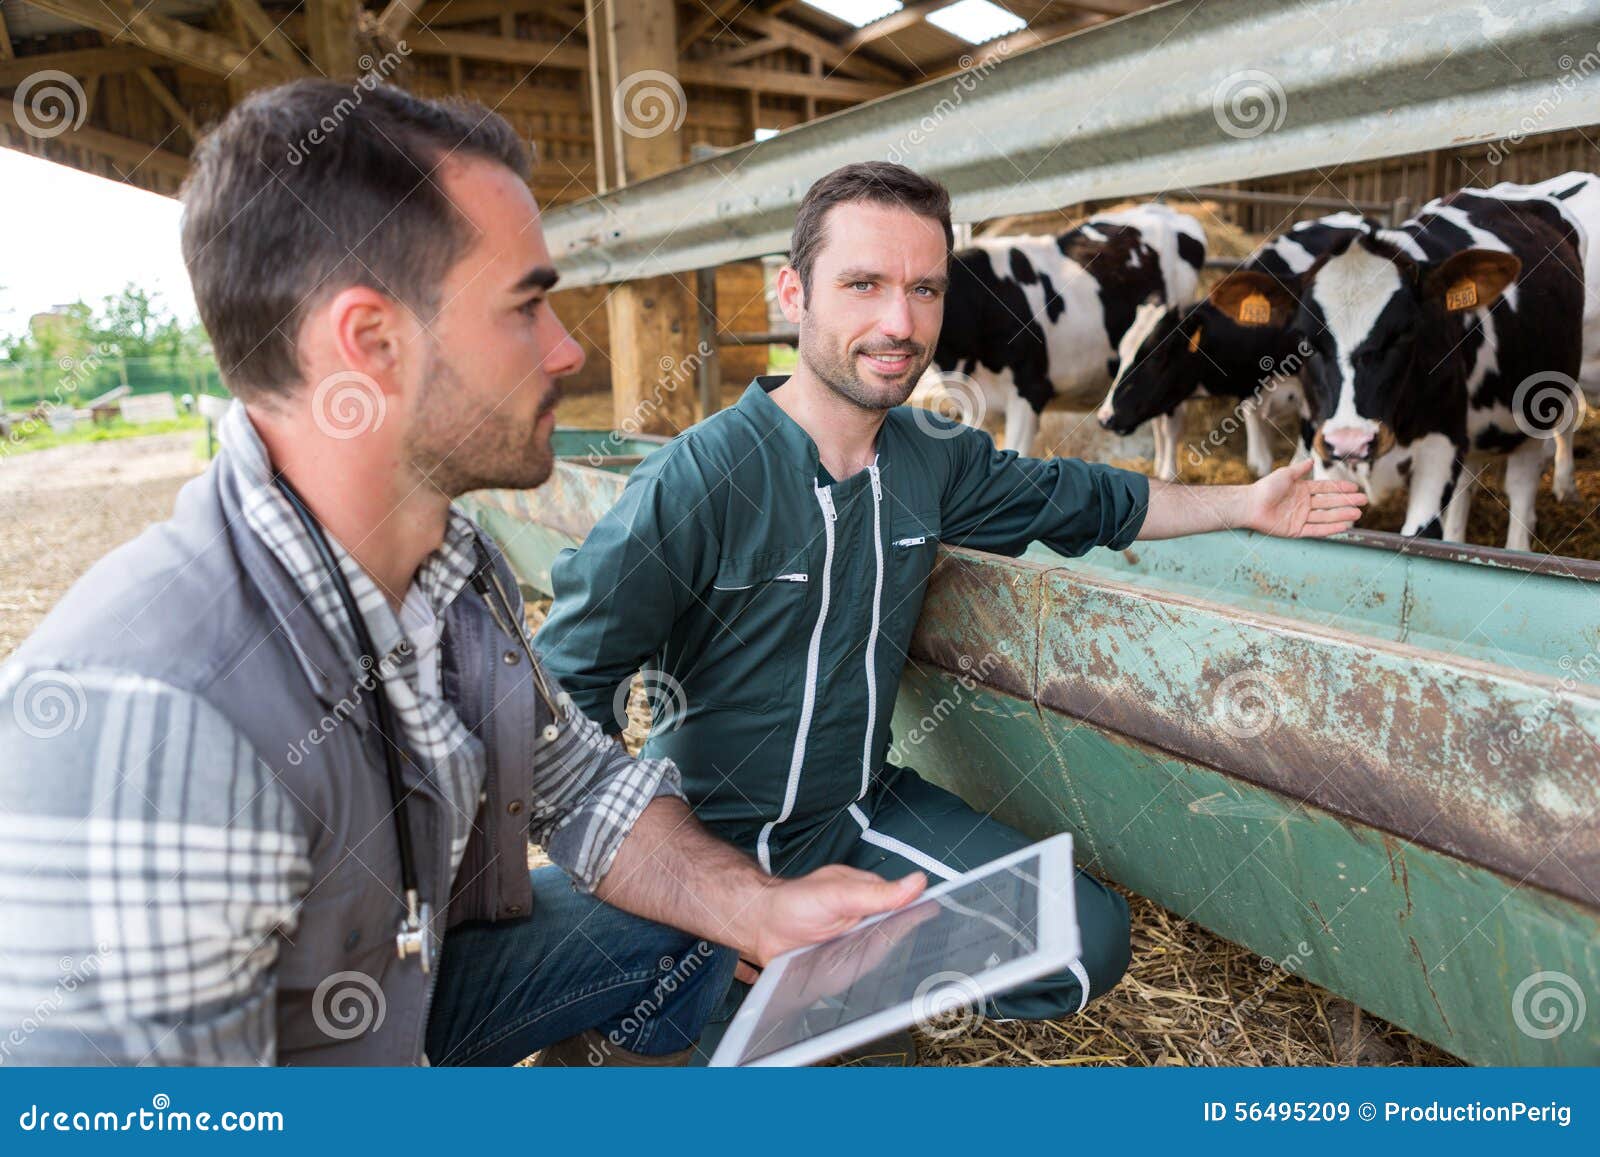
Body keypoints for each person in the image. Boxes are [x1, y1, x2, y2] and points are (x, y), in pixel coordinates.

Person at [0, 85, 928, 1068]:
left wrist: (759, 907)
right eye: (526, 305)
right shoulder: (159, 718)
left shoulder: (454, 567)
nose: (567, 348)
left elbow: (580, 783)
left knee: (697, 918)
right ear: (372, 342)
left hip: (400, 985)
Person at [535, 162, 1368, 1045]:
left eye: (924, 289)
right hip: (702, 845)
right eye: (863, 284)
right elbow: (558, 693)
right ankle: (748, 991)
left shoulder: (932, 455)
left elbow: (1083, 497)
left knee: (1081, 939)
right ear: (794, 294)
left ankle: (819, 989)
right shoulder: (702, 476)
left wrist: (1244, 503)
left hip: (851, 817)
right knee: (644, 1053)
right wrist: (671, 881)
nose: (900, 323)